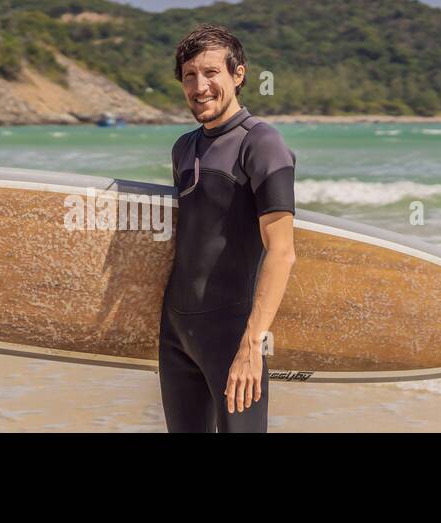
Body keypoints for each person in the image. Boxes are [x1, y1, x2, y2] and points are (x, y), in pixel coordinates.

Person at [159, 24, 297, 433]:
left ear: (238, 75)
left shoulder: (262, 142)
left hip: (232, 335)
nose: (199, 86)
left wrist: (253, 344)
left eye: (211, 73)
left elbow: (282, 251)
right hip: (176, 334)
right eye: (189, 76)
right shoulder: (184, 147)